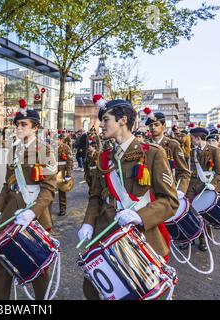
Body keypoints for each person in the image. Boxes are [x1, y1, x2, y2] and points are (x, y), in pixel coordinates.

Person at [77, 99, 178, 300]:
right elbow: (96, 197)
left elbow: (170, 201)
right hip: (105, 234)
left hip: (140, 237)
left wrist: (139, 216)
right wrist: (88, 223)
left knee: (138, 293)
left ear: (123, 120)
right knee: (94, 291)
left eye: (106, 119)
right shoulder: (104, 157)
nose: (101, 125)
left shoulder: (151, 154)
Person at [0, 99, 57, 300]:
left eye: (23, 124)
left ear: (35, 127)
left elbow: (49, 189)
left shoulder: (45, 151)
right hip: (11, 213)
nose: (18, 127)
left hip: (34, 215)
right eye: (17, 124)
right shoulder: (14, 151)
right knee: (2, 261)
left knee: (37, 268)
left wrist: (31, 212)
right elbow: (7, 185)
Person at [186, 126, 220, 251]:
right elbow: (191, 172)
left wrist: (213, 183)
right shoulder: (193, 152)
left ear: (197, 138)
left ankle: (204, 239)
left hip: (208, 187)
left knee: (205, 216)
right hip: (193, 187)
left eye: (192, 138)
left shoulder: (215, 150)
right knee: (191, 213)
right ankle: (191, 237)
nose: (190, 140)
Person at [145, 111, 191, 197]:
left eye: (156, 124)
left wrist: (180, 190)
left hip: (168, 190)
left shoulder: (172, 145)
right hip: (148, 191)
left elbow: (184, 172)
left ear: (164, 126)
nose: (153, 127)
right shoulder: (145, 145)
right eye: (150, 125)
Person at [56, 133, 73, 216]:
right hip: (53, 172)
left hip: (62, 172)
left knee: (62, 191)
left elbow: (69, 161)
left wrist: (68, 174)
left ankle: (62, 209)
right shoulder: (51, 147)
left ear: (60, 140)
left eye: (56, 140)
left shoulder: (66, 148)